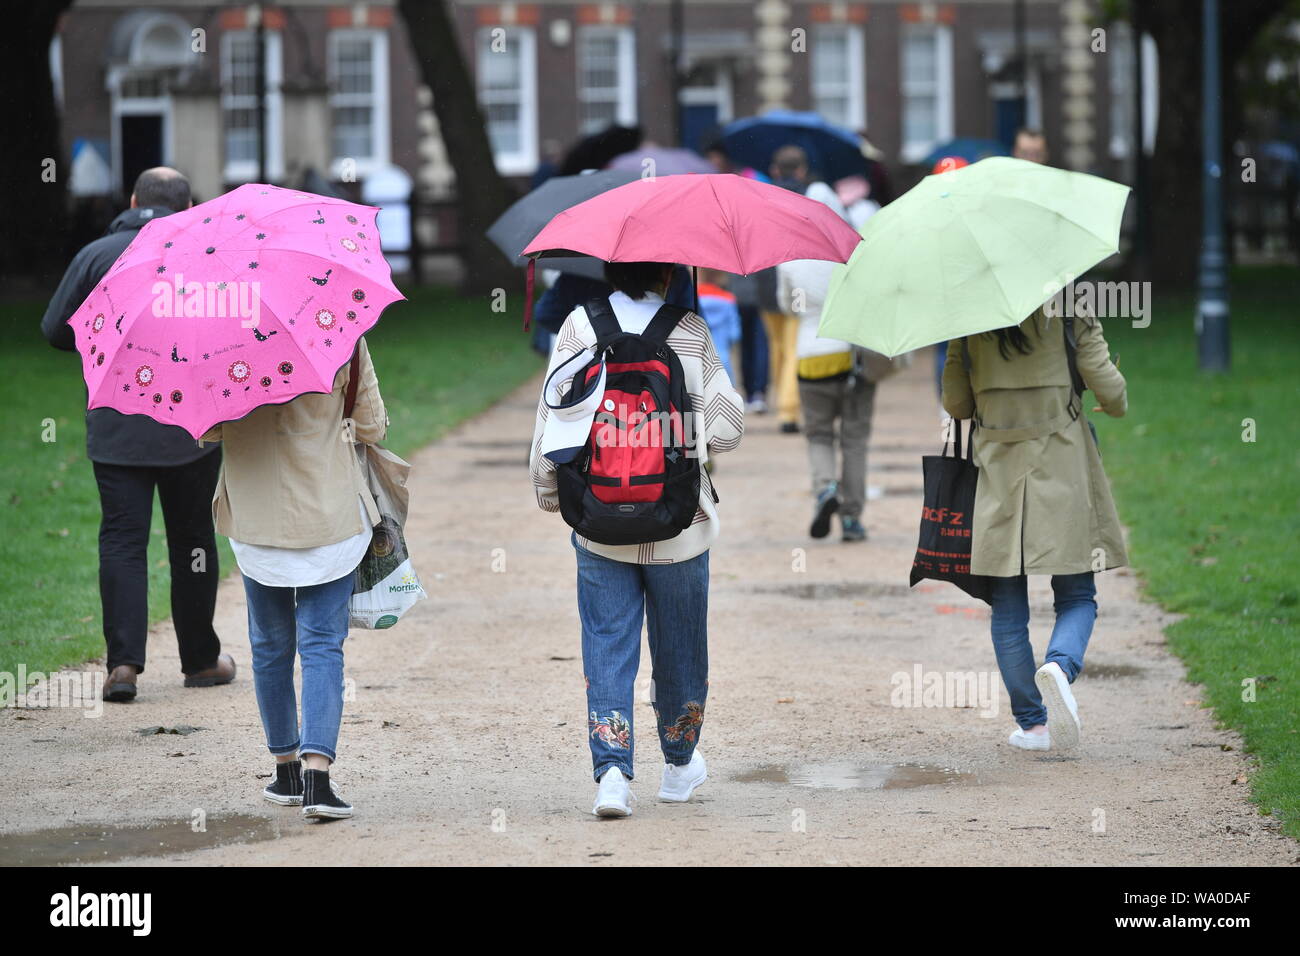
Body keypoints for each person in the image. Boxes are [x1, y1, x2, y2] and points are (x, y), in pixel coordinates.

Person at [529, 260, 745, 817]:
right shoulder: (689, 329)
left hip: (598, 523)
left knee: (606, 646)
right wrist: (675, 438)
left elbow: (551, 421)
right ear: (670, 273)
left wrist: (552, 493)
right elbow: (727, 429)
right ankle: (678, 764)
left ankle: (612, 776)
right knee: (679, 647)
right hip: (679, 525)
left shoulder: (580, 324)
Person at [40, 167, 235, 703]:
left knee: (123, 540)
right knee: (193, 541)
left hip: (117, 424)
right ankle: (200, 660)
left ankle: (122, 665)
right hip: (190, 426)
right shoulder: (209, 260)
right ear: (189, 205)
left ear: (132, 200)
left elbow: (56, 331)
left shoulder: (97, 256)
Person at [200, 339, 387, 820]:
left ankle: (284, 770)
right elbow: (371, 425)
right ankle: (317, 776)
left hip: (256, 515)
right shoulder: (341, 333)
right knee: (323, 644)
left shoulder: (222, 340)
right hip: (329, 512)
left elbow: (207, 430)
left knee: (269, 644)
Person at [941, 306, 1127, 752]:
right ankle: (1060, 667)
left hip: (998, 475)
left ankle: (1034, 726)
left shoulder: (966, 319)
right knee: (1078, 594)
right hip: (1062, 467)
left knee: (1007, 608)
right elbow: (1113, 396)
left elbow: (957, 405)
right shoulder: (1070, 310)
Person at [778, 257, 876, 542]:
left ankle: (825, 489)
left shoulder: (788, 263)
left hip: (809, 357)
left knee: (819, 435)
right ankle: (851, 518)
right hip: (849, 354)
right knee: (854, 441)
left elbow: (787, 307)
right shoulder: (853, 258)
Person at [761, 145, 849, 433]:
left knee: (775, 347)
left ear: (775, 169)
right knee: (791, 346)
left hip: (764, 280)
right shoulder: (809, 197)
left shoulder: (762, 196)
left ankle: (778, 399)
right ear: (801, 169)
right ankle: (789, 411)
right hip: (795, 279)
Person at [695, 269, 742, 382]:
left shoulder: (694, 299)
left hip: (700, 359)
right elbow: (735, 334)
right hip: (723, 359)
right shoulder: (728, 299)